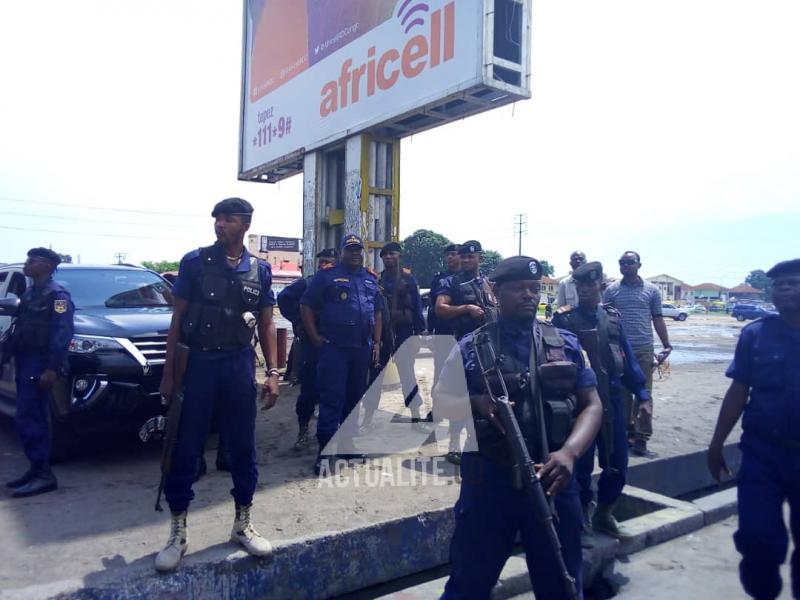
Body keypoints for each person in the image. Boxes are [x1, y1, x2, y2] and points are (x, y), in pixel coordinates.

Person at [436, 256, 603, 599]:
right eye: (518, 289)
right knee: (468, 584)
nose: (529, 296)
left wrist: (571, 452)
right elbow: (440, 401)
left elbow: (593, 404)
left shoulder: (564, 343)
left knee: (561, 584)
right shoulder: (472, 347)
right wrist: (478, 403)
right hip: (490, 484)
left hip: (553, 481)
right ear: (495, 292)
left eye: (534, 288)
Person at [154, 197, 279, 572]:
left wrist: (273, 373)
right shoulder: (195, 263)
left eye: (228, 219)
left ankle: (242, 523)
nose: (219, 225)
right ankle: (178, 531)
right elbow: (176, 321)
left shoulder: (260, 270)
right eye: (217, 219)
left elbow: (267, 323)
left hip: (239, 364)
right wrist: (168, 372)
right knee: (185, 446)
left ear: (245, 224)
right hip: (199, 364)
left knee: (242, 446)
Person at [708, 258, 800, 600]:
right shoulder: (755, 335)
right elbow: (738, 392)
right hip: (763, 455)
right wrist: (716, 444)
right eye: (779, 285)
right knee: (758, 539)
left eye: (793, 282)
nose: (786, 288)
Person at [552, 261, 650, 537]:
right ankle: (579, 517)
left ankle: (604, 513)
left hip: (613, 401)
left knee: (617, 462)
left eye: (590, 285)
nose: (585, 290)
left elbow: (627, 359)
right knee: (580, 465)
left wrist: (643, 395)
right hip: (579, 405)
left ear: (600, 286)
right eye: (580, 285)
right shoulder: (564, 320)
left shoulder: (612, 318)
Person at [300, 234, 383, 475]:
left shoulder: (370, 279)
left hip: (361, 348)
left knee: (354, 398)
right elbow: (306, 305)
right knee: (331, 398)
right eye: (350, 250)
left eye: (359, 250)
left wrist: (377, 342)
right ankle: (325, 452)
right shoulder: (326, 276)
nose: (355, 253)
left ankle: (348, 445)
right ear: (342, 252)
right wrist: (315, 337)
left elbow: (377, 313)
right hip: (334, 348)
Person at [4, 248, 74, 498]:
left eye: (31, 261)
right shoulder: (31, 292)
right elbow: (20, 327)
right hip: (25, 360)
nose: (27, 264)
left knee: (33, 418)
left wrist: (51, 369)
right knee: (24, 417)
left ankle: (44, 475)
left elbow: (62, 333)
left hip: (40, 363)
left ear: (46, 265)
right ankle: (35, 469)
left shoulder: (57, 296)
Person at [435, 240, 498, 464]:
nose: (467, 260)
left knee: (488, 395)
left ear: (480, 257)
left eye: (472, 256)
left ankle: (479, 442)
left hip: (489, 348)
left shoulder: (487, 283)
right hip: (464, 346)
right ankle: (454, 445)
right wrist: (466, 308)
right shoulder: (451, 282)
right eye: (464, 257)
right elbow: (440, 308)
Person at [603, 251, 671, 456]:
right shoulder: (612, 291)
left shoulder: (652, 291)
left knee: (644, 394)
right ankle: (625, 433)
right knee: (622, 395)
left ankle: (641, 437)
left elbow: (658, 318)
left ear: (639, 265)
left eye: (629, 262)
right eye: (621, 262)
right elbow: (605, 320)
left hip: (643, 349)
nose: (625, 265)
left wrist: (666, 344)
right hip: (618, 351)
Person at [277, 248, 337, 450]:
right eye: (321, 263)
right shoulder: (309, 282)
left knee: (334, 392)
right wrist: (300, 319)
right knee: (308, 393)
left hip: (336, 346)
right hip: (312, 346)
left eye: (328, 262)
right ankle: (303, 432)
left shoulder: (344, 282)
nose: (324, 266)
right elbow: (284, 298)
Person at [367, 242, 425, 424]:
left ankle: (415, 416)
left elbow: (417, 307)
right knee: (375, 375)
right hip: (382, 333)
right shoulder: (377, 280)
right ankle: (367, 418)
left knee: (407, 374)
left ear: (399, 256)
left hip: (404, 332)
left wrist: (419, 334)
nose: (388, 257)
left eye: (392, 254)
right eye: (385, 255)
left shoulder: (409, 280)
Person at [428, 244, 461, 385]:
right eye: (447, 254)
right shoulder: (439, 279)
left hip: (463, 331)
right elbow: (431, 307)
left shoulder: (467, 277)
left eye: (453, 254)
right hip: (443, 330)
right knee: (441, 369)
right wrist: (430, 332)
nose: (449, 257)